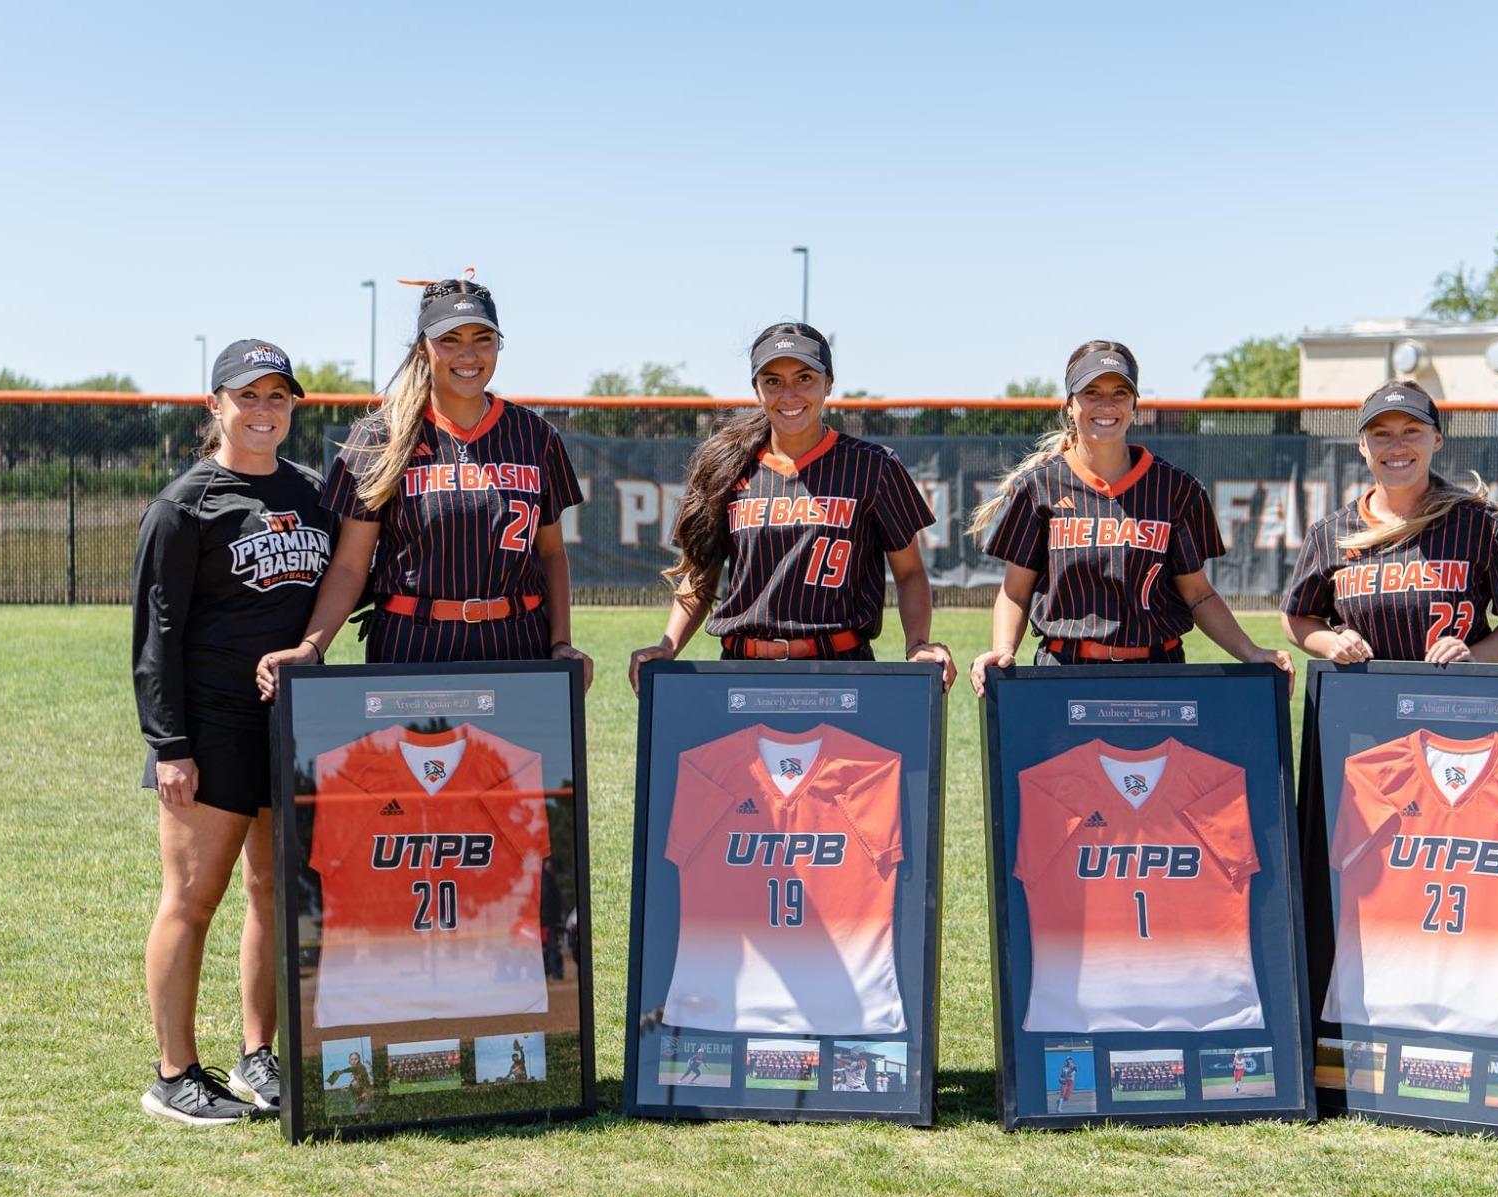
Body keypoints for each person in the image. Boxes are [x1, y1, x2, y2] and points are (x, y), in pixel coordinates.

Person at [133, 339, 333, 1124]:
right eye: (247, 395)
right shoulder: (184, 505)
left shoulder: (313, 495)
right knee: (192, 896)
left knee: (273, 892)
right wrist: (169, 745)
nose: (262, 410)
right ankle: (173, 1072)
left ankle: (258, 1055)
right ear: (214, 405)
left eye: (278, 396)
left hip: (288, 724)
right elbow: (156, 638)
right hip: (209, 725)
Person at [255, 273, 591, 692]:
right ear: (422, 347)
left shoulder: (535, 435)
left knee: (515, 760)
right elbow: (349, 566)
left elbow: (553, 554)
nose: (468, 354)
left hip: (517, 642)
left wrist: (560, 642)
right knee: (421, 758)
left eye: (482, 338)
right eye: (449, 339)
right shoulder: (383, 436)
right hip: (412, 642)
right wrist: (312, 647)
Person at [626, 323, 954, 690]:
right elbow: (702, 574)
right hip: (741, 669)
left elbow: (909, 573)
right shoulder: (725, 465)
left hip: (839, 668)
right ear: (757, 388)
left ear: (828, 383)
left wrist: (918, 645)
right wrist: (667, 646)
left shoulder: (873, 466)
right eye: (773, 381)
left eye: (804, 378)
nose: (789, 394)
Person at [967, 341, 1293, 696]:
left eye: (1120, 392)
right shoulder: (1039, 486)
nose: (1107, 405)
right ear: (1070, 403)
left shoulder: (1176, 489)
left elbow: (1198, 595)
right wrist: (1003, 650)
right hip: (1064, 673)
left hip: (1158, 672)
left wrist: (1250, 652)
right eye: (1092, 392)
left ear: (1135, 403)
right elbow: (1015, 592)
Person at [1283, 380, 1498, 663]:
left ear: (1436, 439)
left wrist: (1475, 657)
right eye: (1381, 434)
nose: (1397, 446)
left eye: (1411, 431)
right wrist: (1330, 643)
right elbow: (1296, 617)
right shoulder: (1329, 534)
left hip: (1452, 700)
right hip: (1362, 698)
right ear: (1362, 445)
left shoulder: (1483, 525)